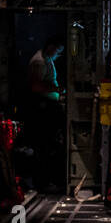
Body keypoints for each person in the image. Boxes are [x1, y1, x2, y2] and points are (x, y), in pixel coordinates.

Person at [25, 34, 66, 191]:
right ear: (51, 47)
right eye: (58, 51)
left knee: (48, 146)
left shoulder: (47, 60)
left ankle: (46, 179)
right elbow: (35, 86)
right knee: (44, 146)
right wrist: (56, 89)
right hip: (43, 108)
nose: (58, 54)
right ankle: (42, 182)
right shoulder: (39, 61)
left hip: (48, 105)